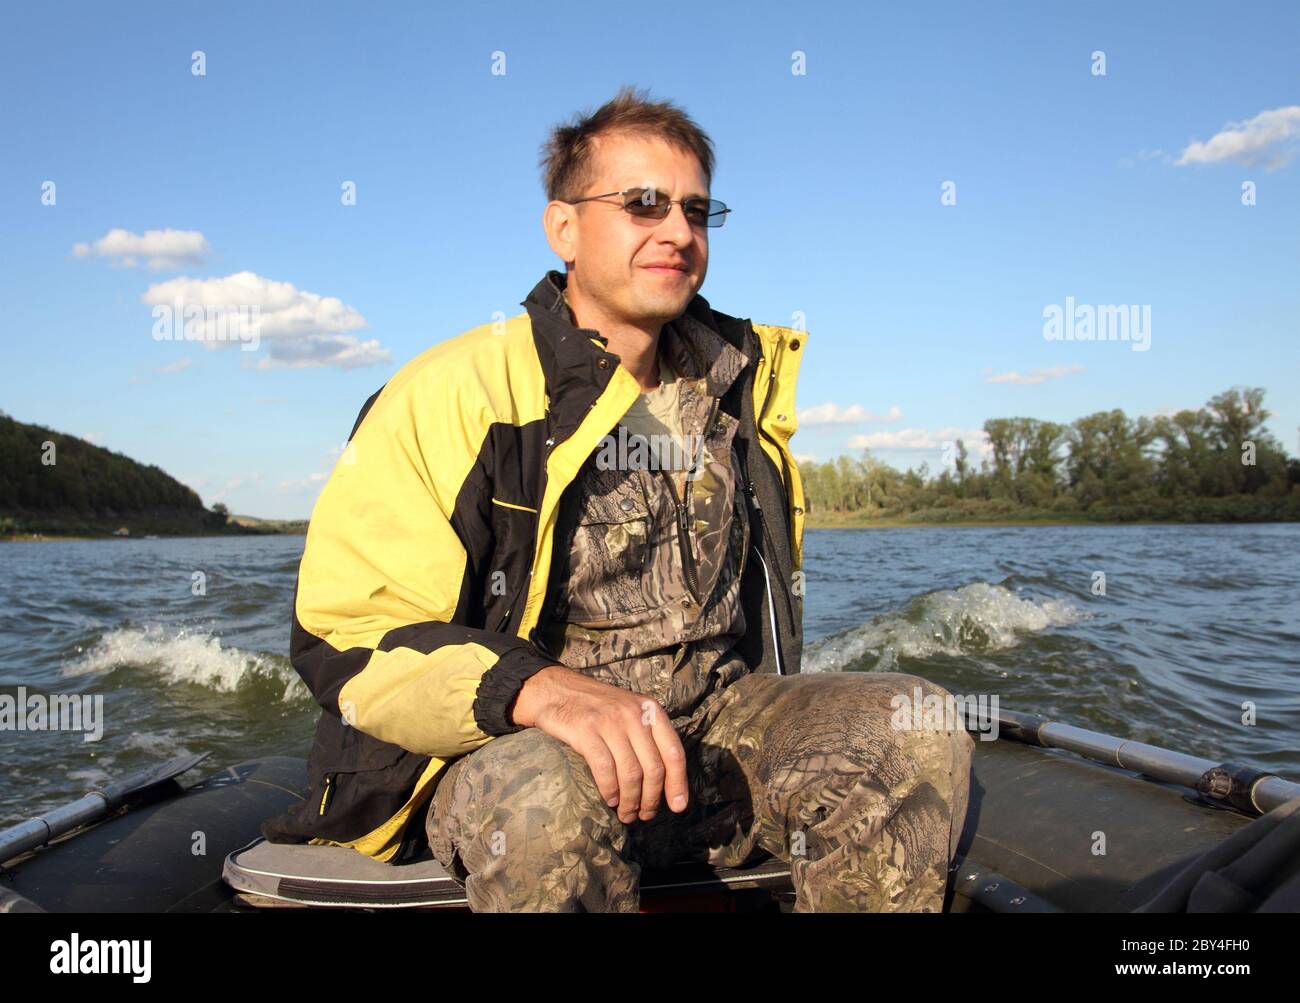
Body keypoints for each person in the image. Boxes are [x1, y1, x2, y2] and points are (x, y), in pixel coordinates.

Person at [262, 85, 974, 912]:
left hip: (710, 731)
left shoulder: (735, 387)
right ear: (564, 228)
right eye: (643, 203)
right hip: (515, 750)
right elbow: (347, 634)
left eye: (697, 211)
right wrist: (536, 691)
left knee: (914, 722)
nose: (678, 231)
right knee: (543, 800)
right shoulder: (451, 393)